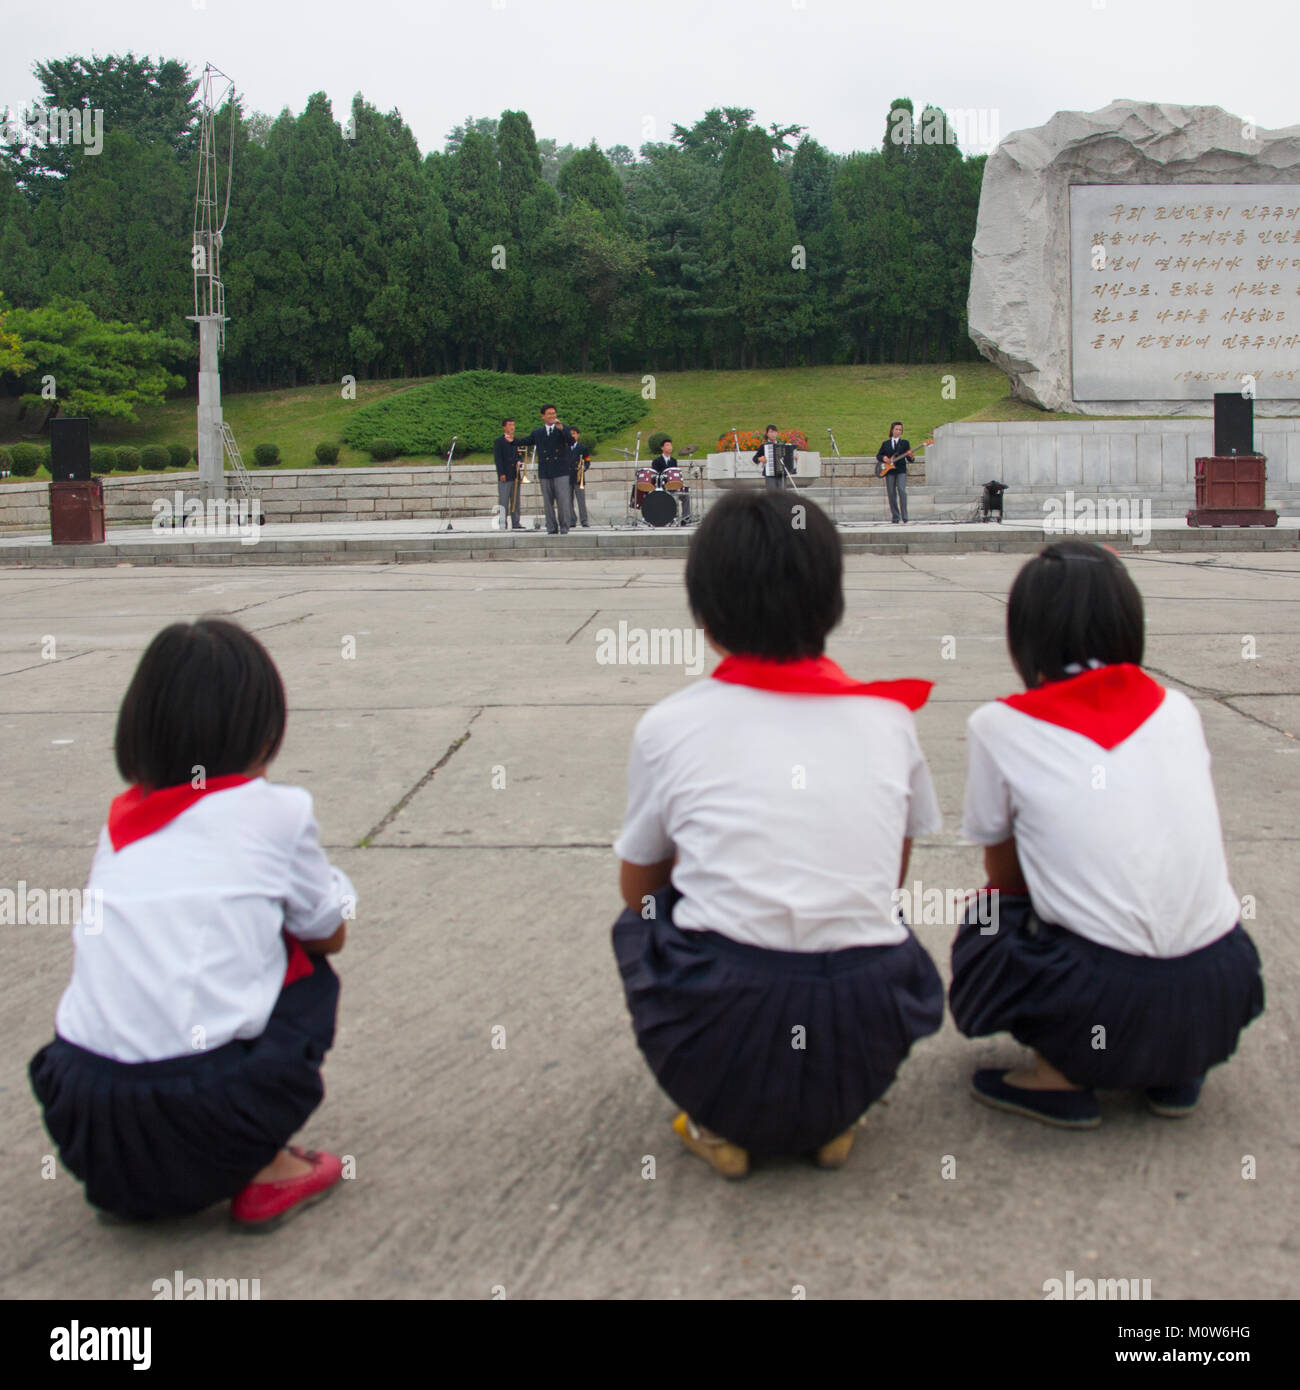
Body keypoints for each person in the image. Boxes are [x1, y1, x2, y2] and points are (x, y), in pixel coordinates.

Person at [612, 490, 944, 1178]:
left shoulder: (671, 725)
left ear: (704, 618)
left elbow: (639, 887)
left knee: (639, 922)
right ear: (833, 605)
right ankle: (835, 1112)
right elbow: (890, 877)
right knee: (884, 918)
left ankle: (718, 1118)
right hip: (865, 1015)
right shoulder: (889, 721)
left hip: (726, 1015)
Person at [29, 619, 355, 1230]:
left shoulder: (119, 826)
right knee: (307, 971)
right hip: (209, 1116)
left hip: (86, 1123)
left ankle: (144, 1186)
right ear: (263, 731)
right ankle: (268, 1168)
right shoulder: (276, 812)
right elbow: (328, 929)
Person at [949, 540, 1265, 1129]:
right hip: (1220, 986)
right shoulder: (1178, 709)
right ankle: (1174, 1066)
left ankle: (1061, 1076)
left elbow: (1005, 879)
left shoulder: (1000, 726)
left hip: (1097, 995)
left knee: (989, 916)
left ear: (1026, 634)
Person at [528, 404, 571, 536]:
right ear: (543, 416)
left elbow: (571, 441)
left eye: (554, 413)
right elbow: (527, 440)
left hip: (561, 471)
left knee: (563, 501)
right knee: (548, 502)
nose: (552, 416)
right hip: (545, 471)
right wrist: (512, 441)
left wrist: (562, 428)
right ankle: (551, 527)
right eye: (549, 414)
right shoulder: (538, 432)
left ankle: (564, 527)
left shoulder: (562, 429)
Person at [876, 422, 914, 524]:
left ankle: (905, 516)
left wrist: (911, 456)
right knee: (891, 493)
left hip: (901, 470)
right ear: (892, 430)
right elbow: (878, 455)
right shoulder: (886, 444)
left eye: (900, 430)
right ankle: (895, 516)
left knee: (902, 490)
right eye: (896, 429)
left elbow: (910, 460)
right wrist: (883, 458)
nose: (898, 431)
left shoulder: (905, 443)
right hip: (889, 471)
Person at [493, 417, 524, 530]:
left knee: (516, 500)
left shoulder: (516, 440)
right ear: (504, 427)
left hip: (515, 475)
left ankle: (516, 522)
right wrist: (501, 473)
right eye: (509, 425)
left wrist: (520, 461)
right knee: (504, 501)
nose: (512, 427)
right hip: (505, 475)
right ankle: (502, 523)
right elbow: (498, 459)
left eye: (513, 425)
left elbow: (520, 455)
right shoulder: (499, 441)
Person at [650, 436, 691, 522]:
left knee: (686, 496)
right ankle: (672, 518)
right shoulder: (656, 461)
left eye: (671, 445)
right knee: (673, 497)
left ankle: (685, 518)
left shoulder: (673, 461)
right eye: (667, 445)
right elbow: (654, 476)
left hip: (673, 486)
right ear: (662, 448)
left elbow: (675, 474)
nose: (670, 447)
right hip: (662, 488)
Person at [566, 424, 591, 529]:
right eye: (570, 434)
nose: (572, 436)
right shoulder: (564, 447)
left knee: (581, 500)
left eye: (574, 434)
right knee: (568, 500)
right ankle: (572, 520)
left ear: (578, 435)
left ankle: (584, 520)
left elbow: (587, 462)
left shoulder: (583, 448)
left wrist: (583, 468)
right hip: (567, 477)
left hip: (579, 477)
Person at [752, 424, 790, 490]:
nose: (773, 434)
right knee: (772, 495)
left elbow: (788, 458)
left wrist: (793, 459)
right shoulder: (764, 446)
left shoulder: (782, 445)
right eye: (771, 432)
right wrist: (760, 459)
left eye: (775, 432)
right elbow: (754, 459)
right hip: (770, 474)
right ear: (767, 434)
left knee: (783, 495)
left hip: (781, 474)